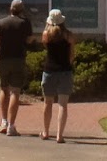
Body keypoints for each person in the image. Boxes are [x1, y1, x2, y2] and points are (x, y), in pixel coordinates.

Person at [0, 0, 33, 136]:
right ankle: (11, 125)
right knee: (15, 92)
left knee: (3, 89)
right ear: (22, 10)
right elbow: (29, 40)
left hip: (3, 60)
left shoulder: (2, 23)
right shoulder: (25, 23)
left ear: (10, 9)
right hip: (19, 59)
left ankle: (3, 121)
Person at [39, 9, 75, 142]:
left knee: (48, 103)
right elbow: (72, 54)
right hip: (65, 71)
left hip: (49, 71)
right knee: (63, 104)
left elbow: (45, 46)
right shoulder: (69, 35)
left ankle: (46, 132)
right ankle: (60, 135)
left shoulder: (45, 35)